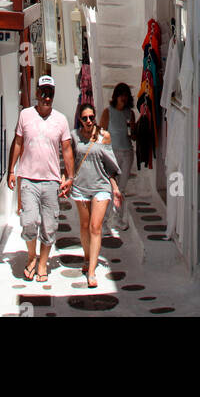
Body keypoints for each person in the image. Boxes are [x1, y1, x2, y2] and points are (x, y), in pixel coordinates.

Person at [8, 74, 74, 283]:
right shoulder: (25, 115)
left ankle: (43, 262)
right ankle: (31, 256)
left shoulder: (61, 119)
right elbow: (18, 143)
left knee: (49, 225)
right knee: (28, 222)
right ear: (37, 93)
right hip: (27, 178)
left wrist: (70, 177)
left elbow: (67, 150)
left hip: (51, 180)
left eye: (50, 94)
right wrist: (11, 170)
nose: (47, 98)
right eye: (43, 93)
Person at [71, 104, 122, 288]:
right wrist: (65, 179)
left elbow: (110, 164)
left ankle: (92, 270)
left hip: (101, 185)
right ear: (80, 120)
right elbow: (70, 161)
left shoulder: (104, 136)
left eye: (91, 117)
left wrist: (114, 187)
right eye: (85, 118)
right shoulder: (74, 136)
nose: (89, 121)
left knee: (95, 226)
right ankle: (87, 257)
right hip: (80, 186)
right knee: (84, 226)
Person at [100, 82, 135, 230]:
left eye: (126, 95)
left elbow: (133, 135)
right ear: (116, 96)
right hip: (112, 153)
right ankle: (104, 221)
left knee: (121, 189)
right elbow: (101, 132)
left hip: (127, 153)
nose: (124, 98)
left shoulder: (130, 113)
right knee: (109, 189)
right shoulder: (108, 112)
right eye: (121, 95)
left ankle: (118, 219)